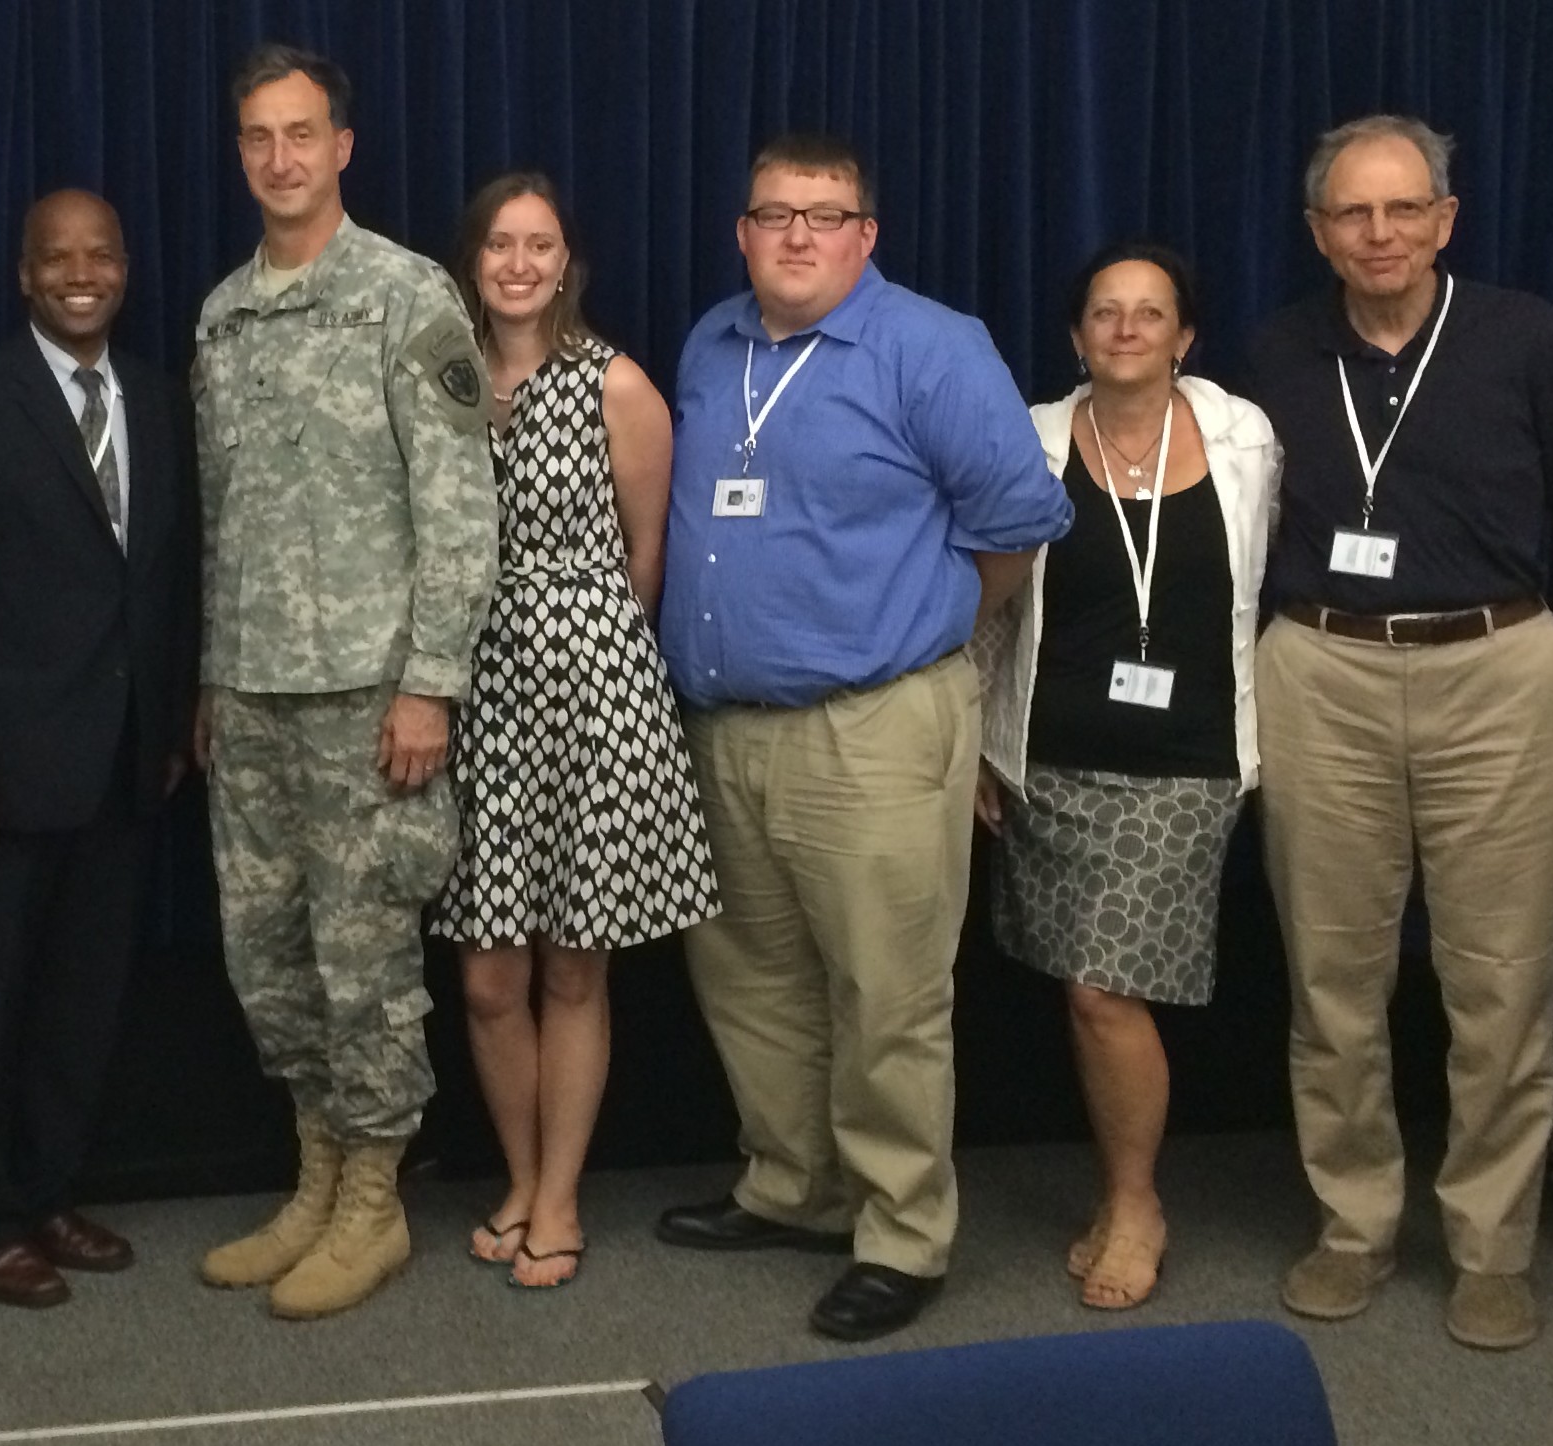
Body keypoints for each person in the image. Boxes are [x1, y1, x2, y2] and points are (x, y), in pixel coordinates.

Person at [651, 134, 1069, 1342]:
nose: (795, 236)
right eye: (773, 213)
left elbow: (1015, 528)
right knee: (753, 982)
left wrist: (923, 634)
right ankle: (793, 1187)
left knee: (887, 993)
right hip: (725, 727)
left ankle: (901, 1230)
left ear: (864, 235)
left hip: (875, 726)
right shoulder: (708, 343)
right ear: (741, 231)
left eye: (823, 215)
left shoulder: (931, 349)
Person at [1247, 115, 1553, 1352]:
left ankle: (1490, 1244)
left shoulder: (1523, 335)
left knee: (1503, 980)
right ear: (1318, 233)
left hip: (1500, 669)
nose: (1380, 234)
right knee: (1330, 978)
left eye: (1403, 209)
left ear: (1444, 220)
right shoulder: (1275, 351)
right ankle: (1353, 1224)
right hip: (1322, 671)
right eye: (1353, 214)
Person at [190, 43, 497, 1321]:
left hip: (370, 699)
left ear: (342, 146)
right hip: (252, 695)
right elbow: (222, 518)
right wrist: (212, 675)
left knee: (364, 954)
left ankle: (374, 1199)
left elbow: (459, 503)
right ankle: (315, 1175)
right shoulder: (223, 312)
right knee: (270, 958)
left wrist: (429, 683)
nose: (279, 157)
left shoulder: (405, 295)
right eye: (258, 136)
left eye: (300, 133)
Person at [0, 189, 200, 1309]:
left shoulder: (162, 402)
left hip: (124, 765)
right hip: (1, 769)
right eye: (56, 258)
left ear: (125, 267)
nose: (82, 272)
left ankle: (46, 1190)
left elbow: (167, 585)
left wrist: (168, 725)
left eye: (100, 254)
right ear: (24, 276)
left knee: (82, 1004)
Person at [971, 242, 1280, 1312]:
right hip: (1050, 758)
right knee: (1081, 984)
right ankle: (1117, 1189)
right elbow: (991, 601)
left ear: (1185, 335)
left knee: (1104, 987)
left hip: (1186, 763)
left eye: (1151, 312)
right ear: (1076, 335)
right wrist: (975, 740)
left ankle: (1138, 1199)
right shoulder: (1031, 438)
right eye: (1106, 311)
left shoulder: (1245, 439)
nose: (1127, 328)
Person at [427, 172, 719, 1291]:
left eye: (537, 245)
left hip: (591, 692)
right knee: (490, 975)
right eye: (498, 243)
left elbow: (647, 558)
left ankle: (558, 1198)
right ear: (472, 260)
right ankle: (516, 1171)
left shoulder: (617, 385)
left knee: (572, 970)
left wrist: (578, 655)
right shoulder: (440, 385)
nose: (516, 264)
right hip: (475, 694)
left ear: (567, 264)